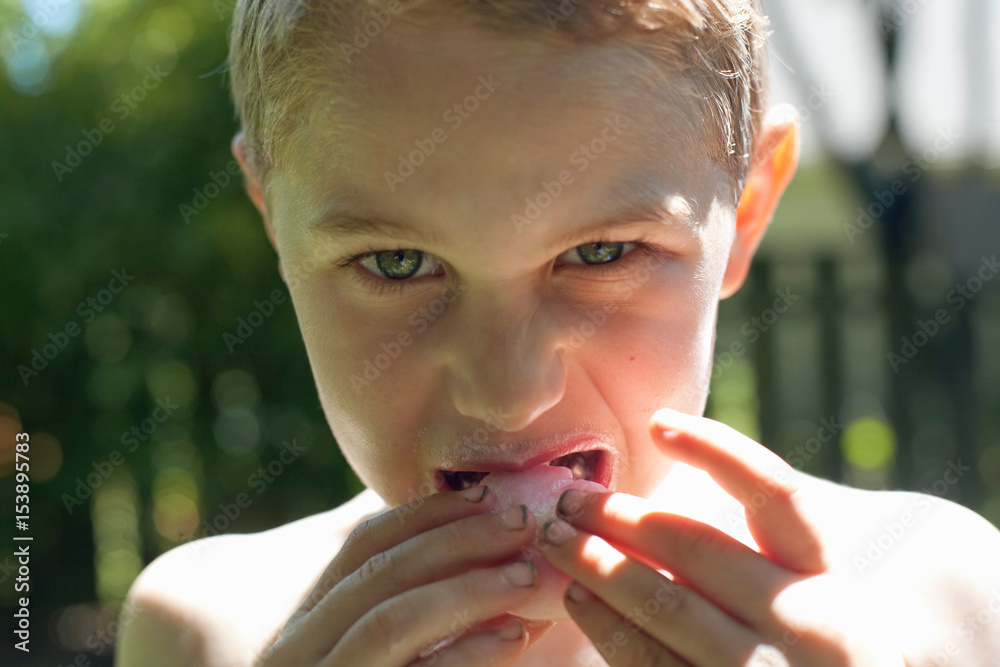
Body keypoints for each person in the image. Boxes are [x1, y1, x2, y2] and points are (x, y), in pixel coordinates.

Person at [116, 0, 1000, 665]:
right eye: (395, 263)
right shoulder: (210, 624)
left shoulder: (942, 598)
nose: (506, 390)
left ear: (750, 211)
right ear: (275, 221)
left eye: (602, 251)